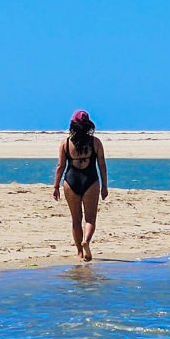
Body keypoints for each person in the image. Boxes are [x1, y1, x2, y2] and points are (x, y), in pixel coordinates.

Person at [53, 110, 107, 261]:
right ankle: (86, 242)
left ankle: (79, 252)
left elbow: (60, 166)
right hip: (91, 180)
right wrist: (104, 186)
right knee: (90, 219)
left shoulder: (66, 143)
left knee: (76, 219)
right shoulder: (95, 142)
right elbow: (102, 165)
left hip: (71, 181)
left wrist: (56, 186)